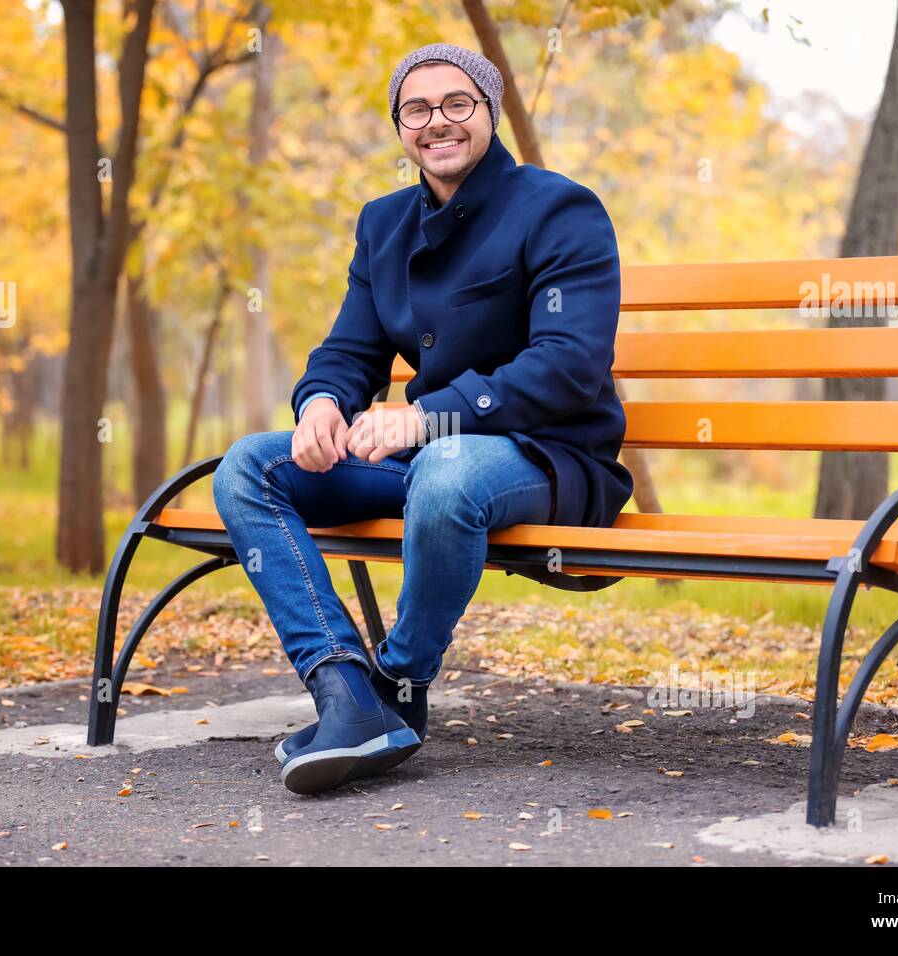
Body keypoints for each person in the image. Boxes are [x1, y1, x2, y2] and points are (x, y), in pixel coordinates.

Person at [213, 42, 632, 796]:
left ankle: (399, 680)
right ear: (400, 126)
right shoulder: (383, 225)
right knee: (250, 465)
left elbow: (569, 364)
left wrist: (426, 418)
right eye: (416, 109)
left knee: (444, 466)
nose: (436, 122)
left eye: (456, 103)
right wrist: (320, 405)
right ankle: (345, 692)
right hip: (426, 461)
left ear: (489, 112)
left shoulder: (558, 207)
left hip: (546, 457)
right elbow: (348, 348)